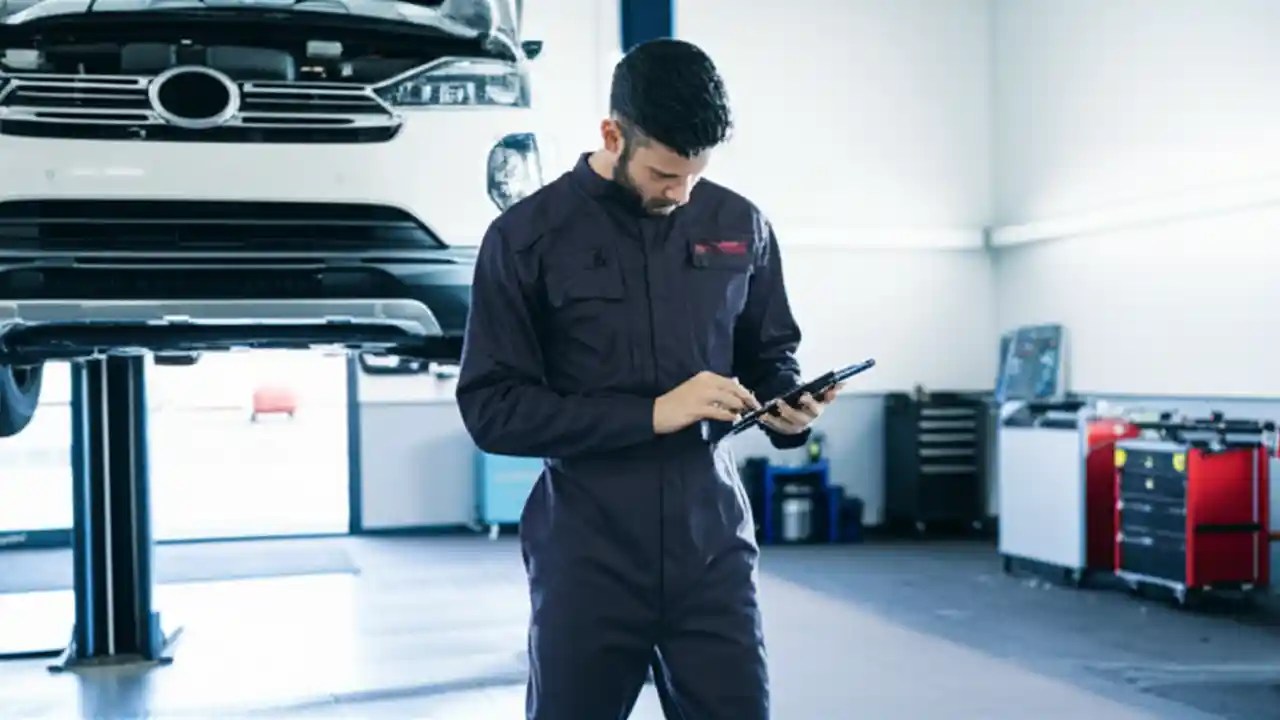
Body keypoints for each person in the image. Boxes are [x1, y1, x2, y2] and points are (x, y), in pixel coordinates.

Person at [456, 38, 839, 720]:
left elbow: (769, 353)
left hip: (712, 546)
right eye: (665, 174)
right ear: (612, 134)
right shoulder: (526, 238)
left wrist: (789, 405)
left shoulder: (738, 224)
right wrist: (650, 413)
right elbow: (494, 409)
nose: (681, 192)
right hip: (588, 553)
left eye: (694, 173)